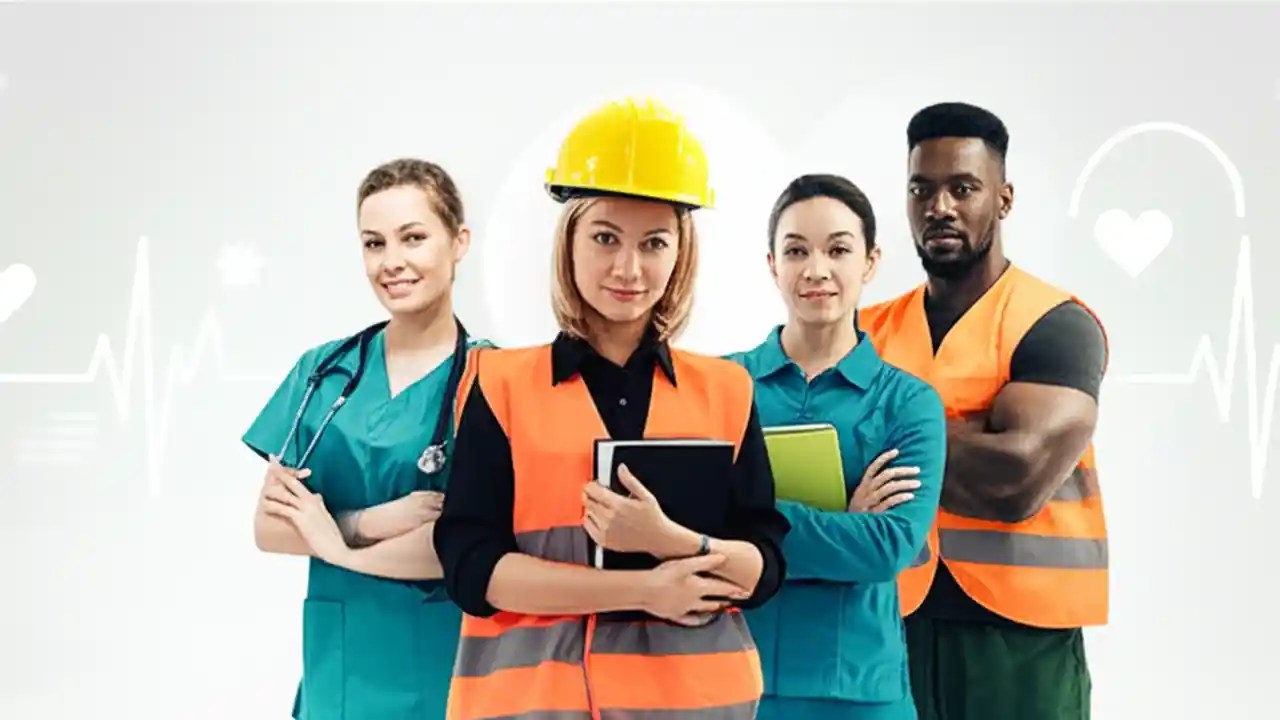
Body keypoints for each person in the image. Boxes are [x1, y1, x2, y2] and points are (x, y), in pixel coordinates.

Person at [432, 96, 791, 720]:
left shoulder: (727, 391)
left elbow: (763, 569)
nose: (629, 268)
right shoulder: (499, 383)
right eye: (605, 238)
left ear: (681, 252)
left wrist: (674, 541)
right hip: (534, 706)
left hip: (692, 707)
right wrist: (645, 590)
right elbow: (471, 567)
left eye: (654, 242)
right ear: (569, 241)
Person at [859, 102, 1109, 720]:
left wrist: (878, 434)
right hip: (888, 621)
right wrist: (974, 431)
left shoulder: (1056, 325)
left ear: (1003, 199)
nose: (939, 207)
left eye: (962, 188)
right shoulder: (867, 329)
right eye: (922, 188)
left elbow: (1016, 480)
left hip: (1021, 642)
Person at [241, 158, 493, 720]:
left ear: (459, 242)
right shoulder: (324, 372)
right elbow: (269, 527)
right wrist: (363, 525)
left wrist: (330, 541)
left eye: (414, 238)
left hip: (446, 669)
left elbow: (467, 543)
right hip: (340, 671)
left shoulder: (495, 380)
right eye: (374, 243)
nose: (392, 262)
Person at [724, 173, 946, 720]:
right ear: (772, 264)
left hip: (860, 693)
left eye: (838, 249)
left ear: (870, 262)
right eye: (796, 250)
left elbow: (886, 547)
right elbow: (688, 520)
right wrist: (843, 523)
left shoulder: (909, 403)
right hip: (735, 682)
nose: (816, 269)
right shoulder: (722, 386)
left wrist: (747, 523)